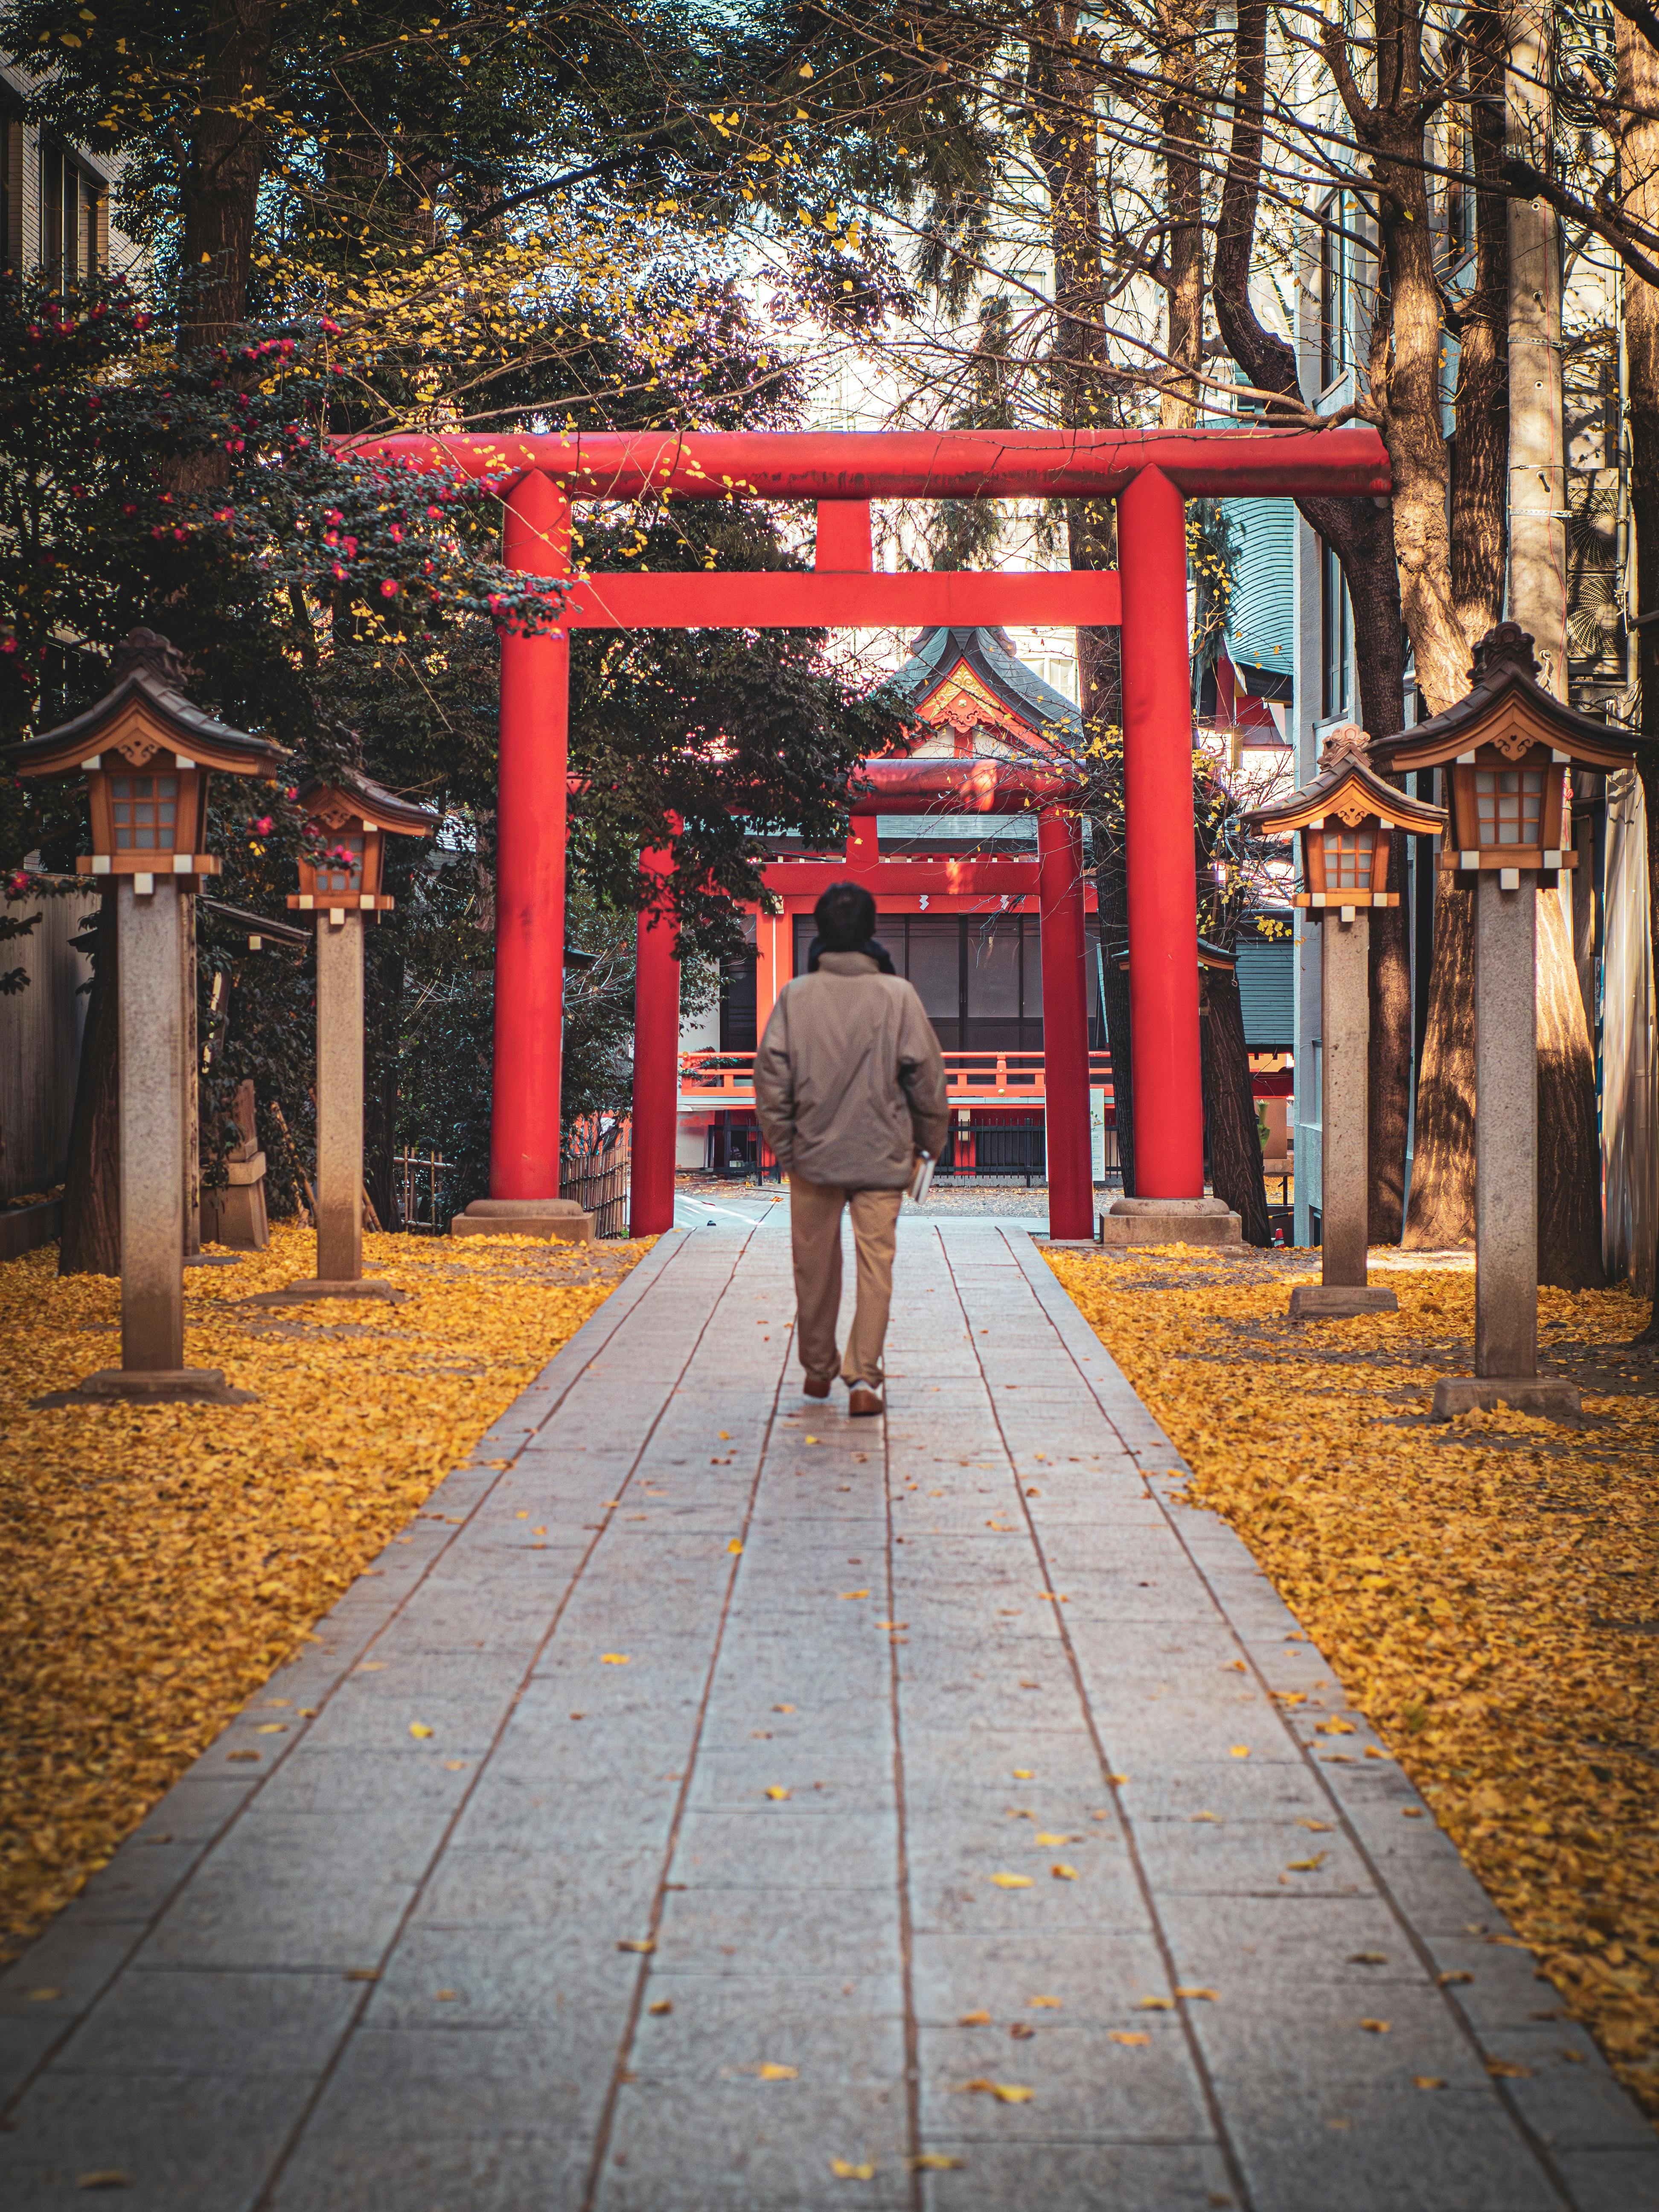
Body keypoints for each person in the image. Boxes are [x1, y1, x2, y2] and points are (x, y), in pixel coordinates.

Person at [754, 880, 949, 1417]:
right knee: (875, 1266)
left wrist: (786, 1146)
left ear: (820, 929)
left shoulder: (796, 997)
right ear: (870, 930)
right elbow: (928, 1082)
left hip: (813, 1155)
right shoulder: (898, 996)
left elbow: (771, 1080)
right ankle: (864, 1377)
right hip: (882, 1153)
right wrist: (928, 1145)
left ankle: (819, 1368)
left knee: (813, 1267)